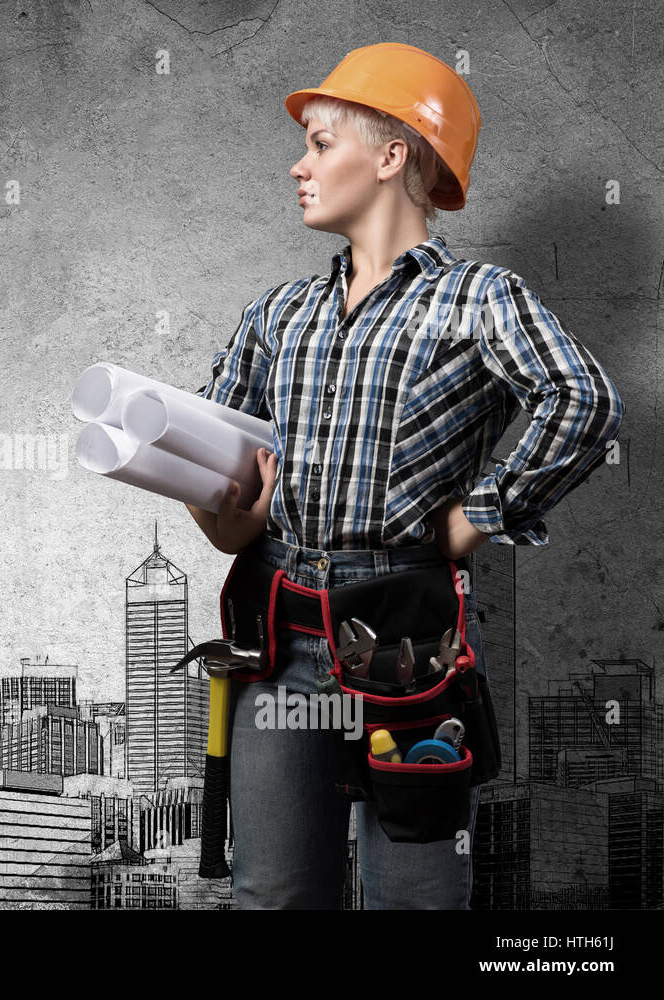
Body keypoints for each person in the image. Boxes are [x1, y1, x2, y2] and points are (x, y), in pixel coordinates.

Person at [185, 43, 625, 908]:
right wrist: (222, 511)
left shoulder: (479, 297)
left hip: (411, 645)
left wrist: (475, 518)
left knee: (414, 897)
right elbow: (221, 487)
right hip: (276, 640)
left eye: (319, 143)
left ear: (392, 157)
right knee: (272, 894)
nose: (298, 165)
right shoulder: (278, 315)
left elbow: (585, 402)